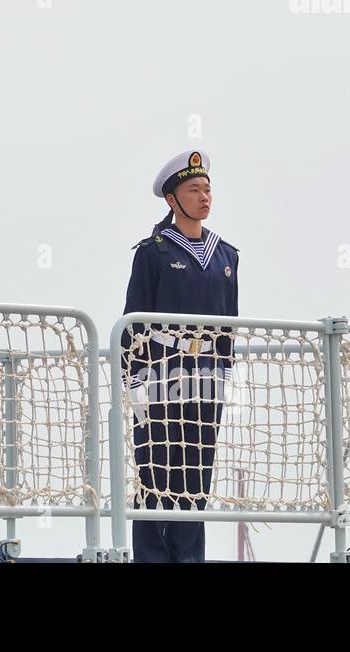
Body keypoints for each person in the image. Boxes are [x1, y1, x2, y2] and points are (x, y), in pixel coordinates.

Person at [121, 150, 238, 563]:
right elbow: (133, 320)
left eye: (207, 189)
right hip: (161, 368)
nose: (204, 196)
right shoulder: (153, 252)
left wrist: (224, 369)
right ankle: (151, 556)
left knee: (196, 470)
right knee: (156, 468)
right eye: (194, 189)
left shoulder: (226, 256)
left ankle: (190, 557)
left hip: (205, 372)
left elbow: (229, 324)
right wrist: (132, 378)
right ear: (172, 200)